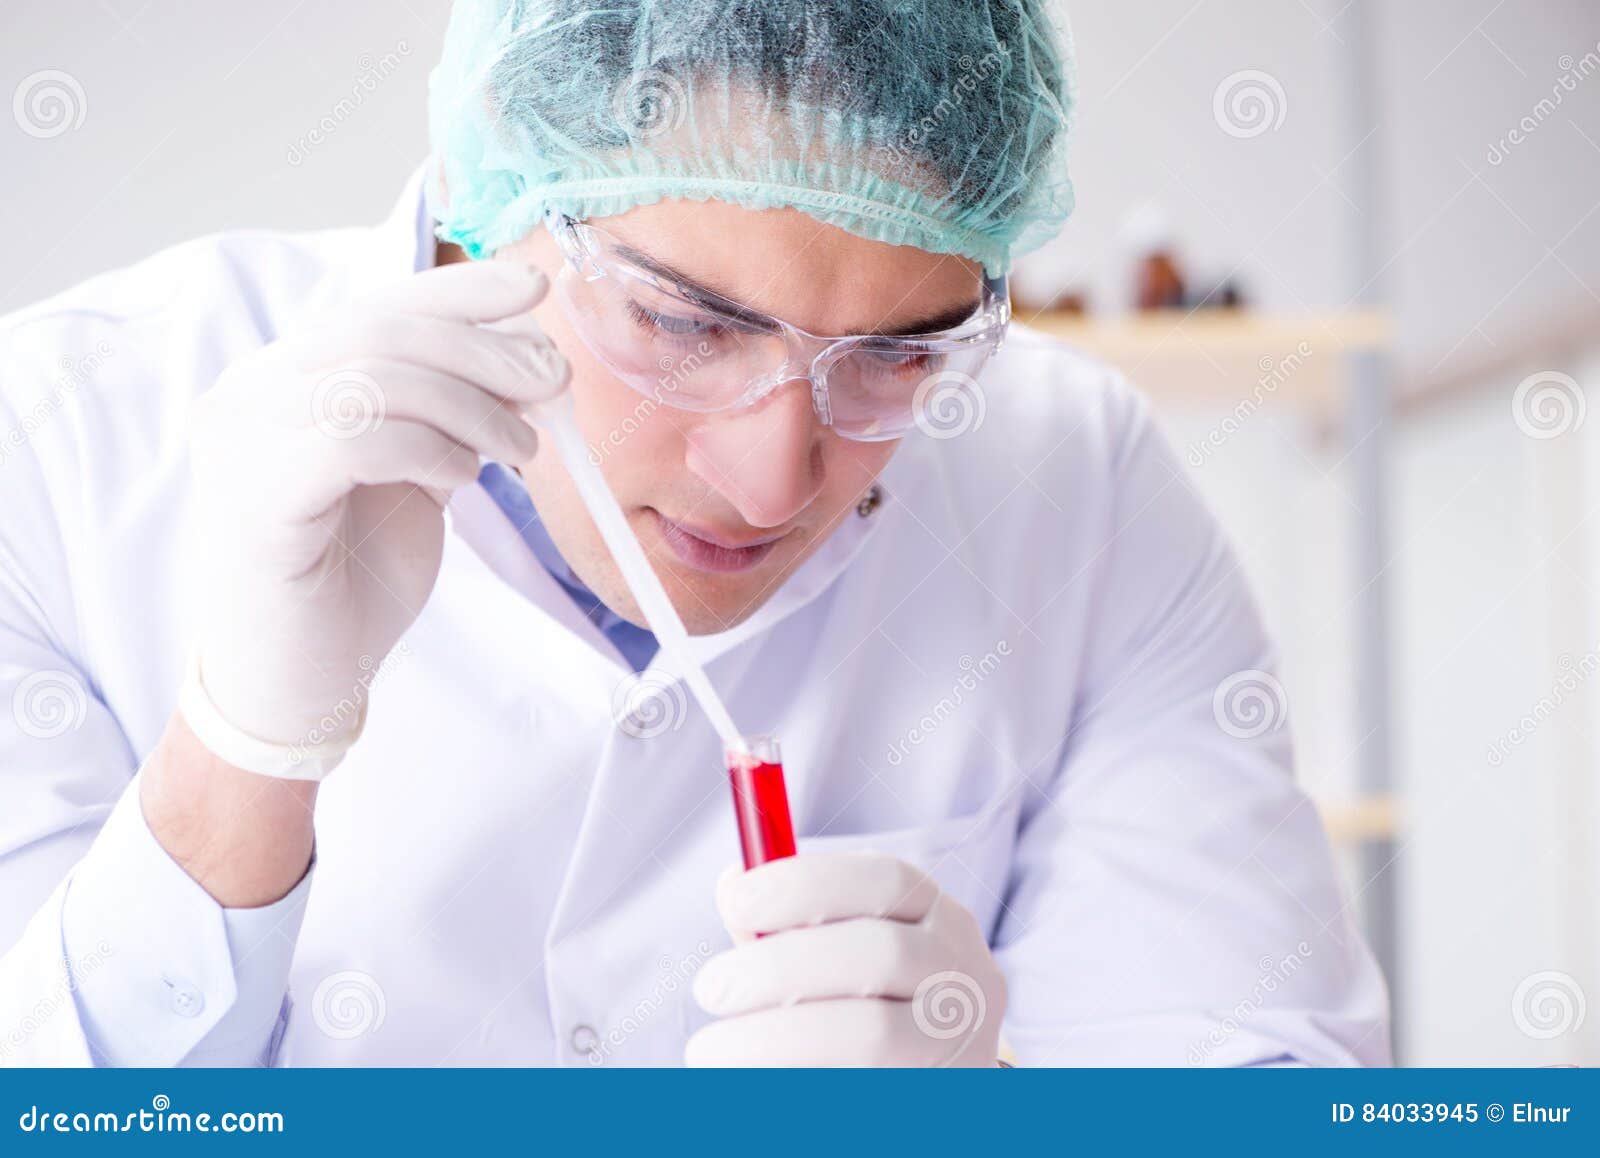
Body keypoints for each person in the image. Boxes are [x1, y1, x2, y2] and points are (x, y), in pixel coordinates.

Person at [0, 0, 1388, 1067]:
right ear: (499, 207)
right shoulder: (63, 437)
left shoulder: (1075, 482)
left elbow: (1260, 1078)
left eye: (898, 355)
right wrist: (242, 752)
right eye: (685, 322)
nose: (777, 473)